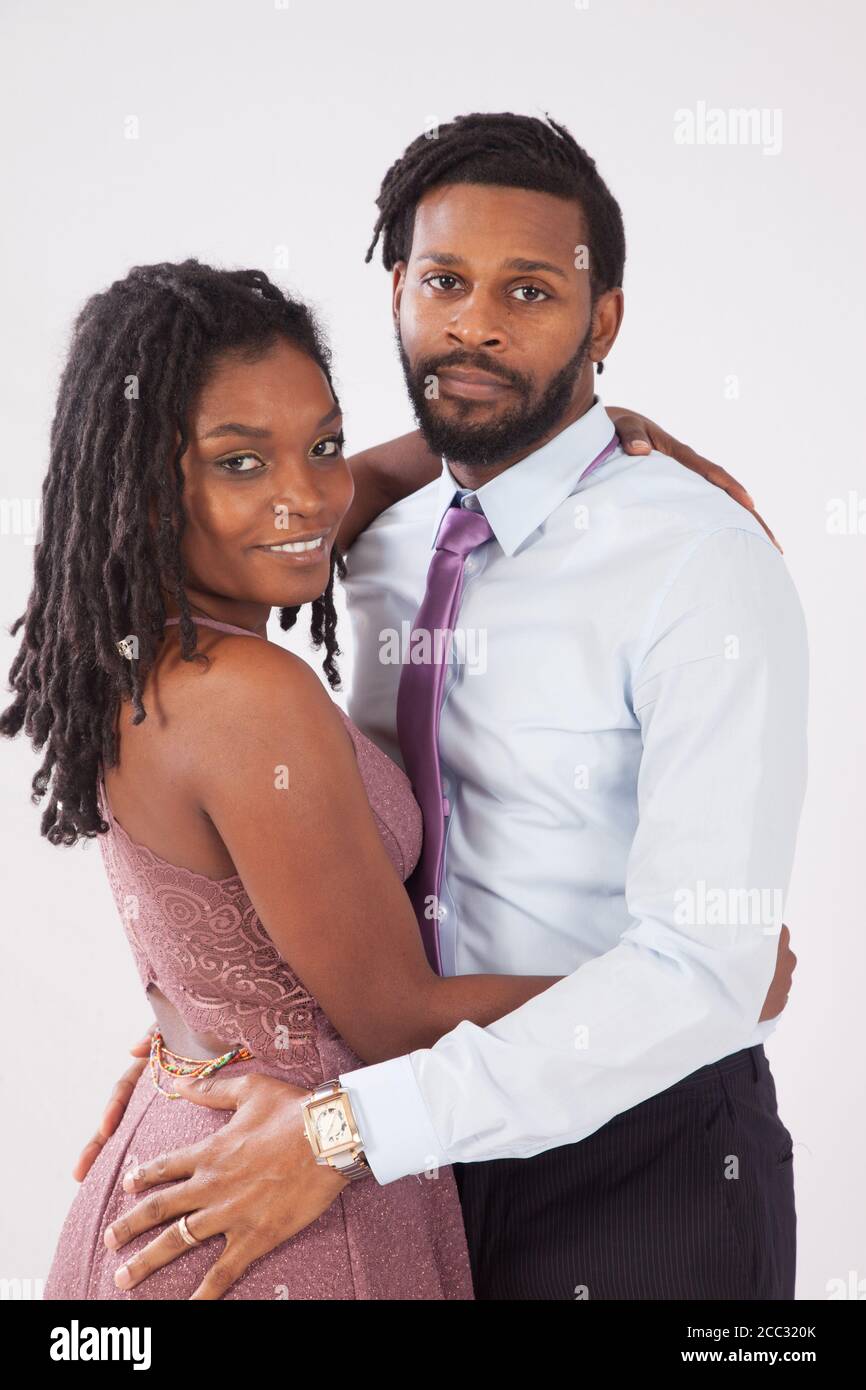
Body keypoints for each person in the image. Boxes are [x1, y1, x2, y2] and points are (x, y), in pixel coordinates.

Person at [61, 113, 804, 1302]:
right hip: (351, 1158)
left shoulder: (693, 561)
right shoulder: (342, 545)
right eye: (445, 283)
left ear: (600, 321)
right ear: (396, 289)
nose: (476, 324)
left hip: (624, 1164)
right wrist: (216, 1041)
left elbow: (697, 970)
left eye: (528, 292)